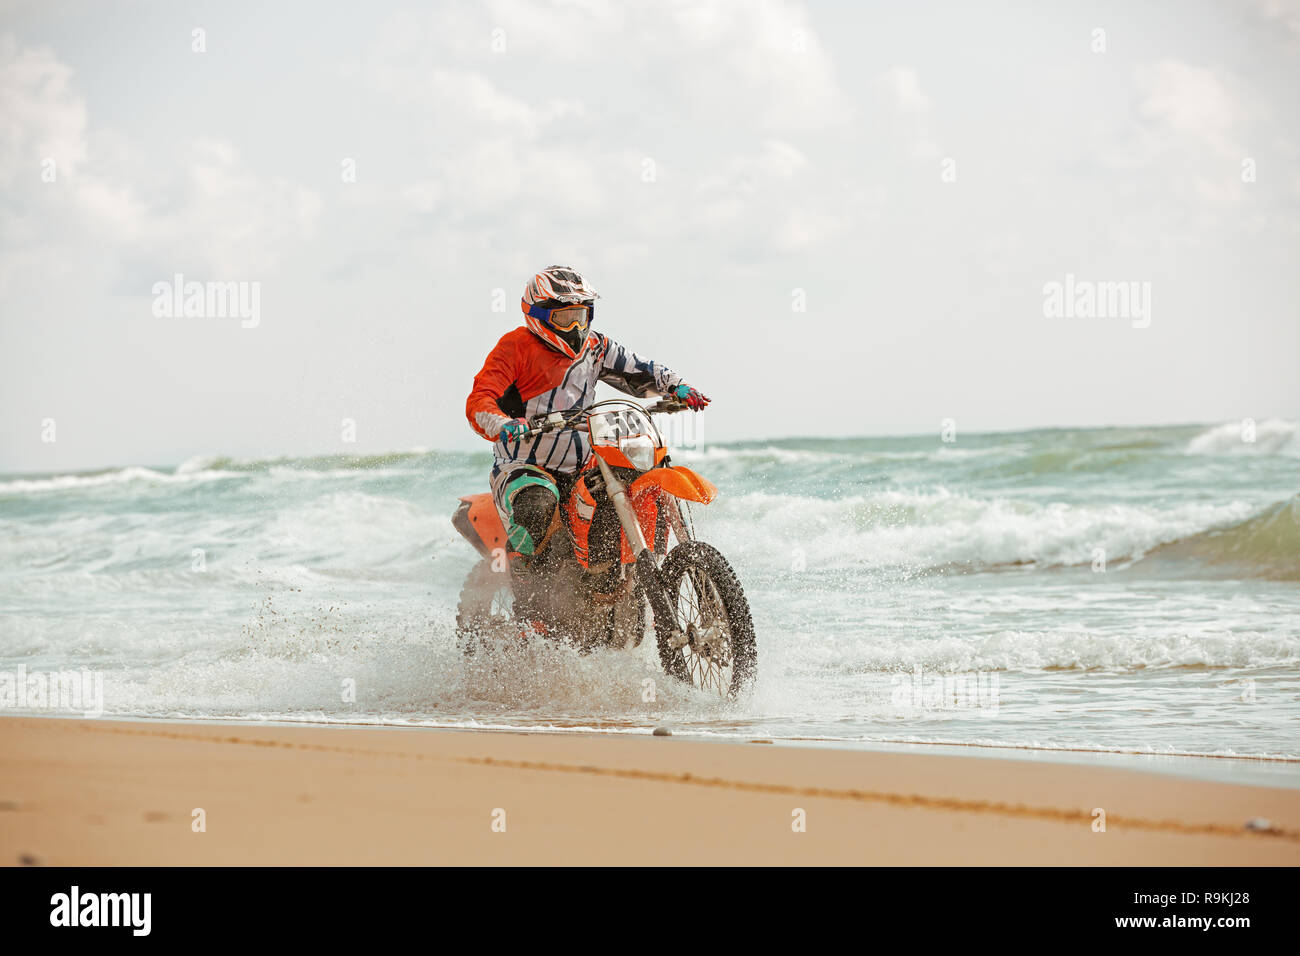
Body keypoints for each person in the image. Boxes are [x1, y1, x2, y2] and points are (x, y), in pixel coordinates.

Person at [465, 265, 708, 583]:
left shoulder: (596, 347)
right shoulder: (514, 348)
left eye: (581, 315)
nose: (576, 326)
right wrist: (502, 425)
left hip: (583, 461)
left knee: (623, 488)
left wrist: (677, 386)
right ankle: (527, 587)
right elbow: (480, 400)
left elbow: (640, 370)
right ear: (538, 315)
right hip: (524, 464)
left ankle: (607, 579)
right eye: (565, 318)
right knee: (537, 506)